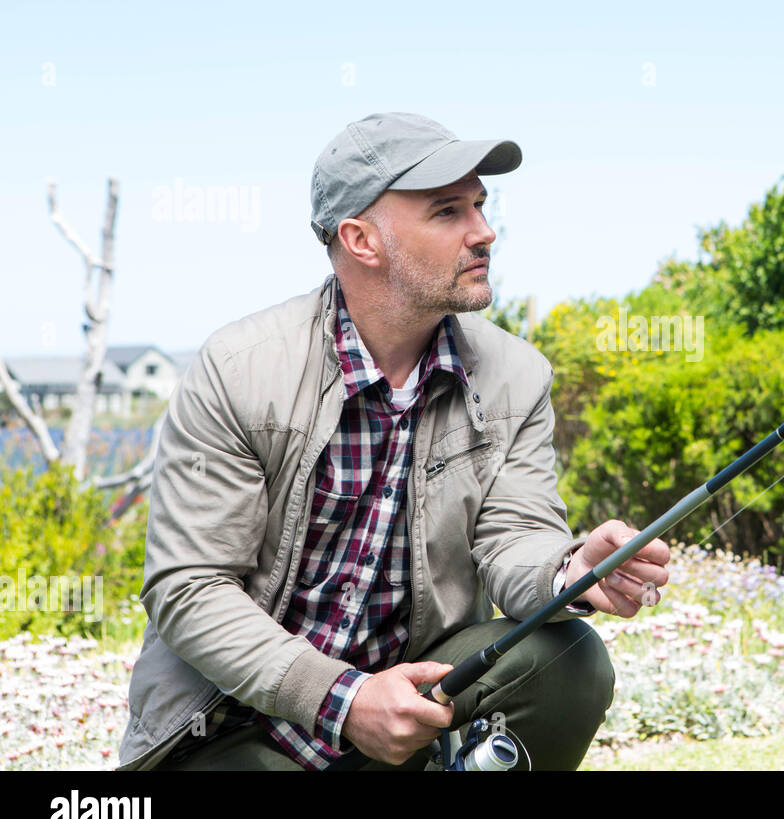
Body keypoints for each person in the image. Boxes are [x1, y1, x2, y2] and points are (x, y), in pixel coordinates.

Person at [117, 112, 670, 771]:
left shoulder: (516, 375)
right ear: (361, 239)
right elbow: (191, 587)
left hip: (413, 708)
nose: (484, 232)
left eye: (480, 206)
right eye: (447, 212)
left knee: (568, 657)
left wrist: (568, 571)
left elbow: (514, 536)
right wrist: (343, 699)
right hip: (237, 725)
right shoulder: (239, 369)